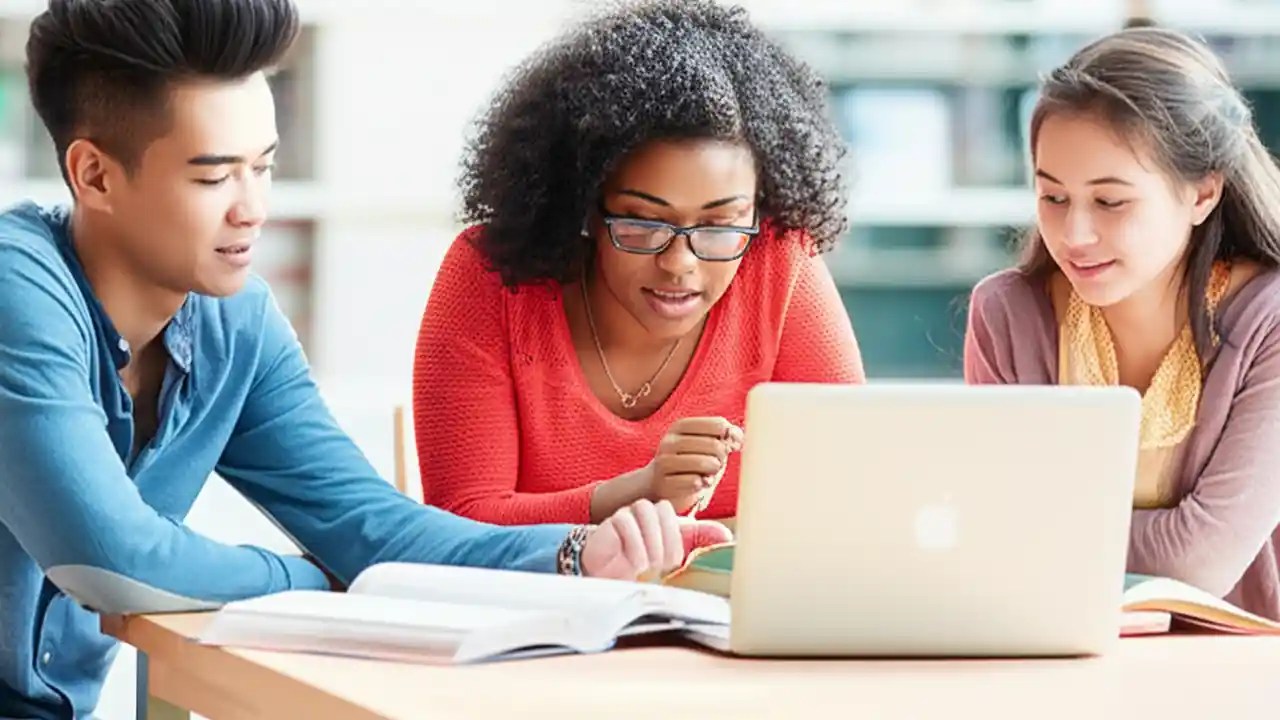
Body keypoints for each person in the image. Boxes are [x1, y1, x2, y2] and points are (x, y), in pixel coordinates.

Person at [0, 1, 730, 717]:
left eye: (264, 166)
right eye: (214, 177)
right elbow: (114, 557)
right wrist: (325, 581)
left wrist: (577, 557)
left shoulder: (235, 324)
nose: (253, 207)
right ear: (94, 175)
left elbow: (373, 526)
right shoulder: (17, 292)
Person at [412, 0, 865, 529]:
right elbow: (462, 523)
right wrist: (641, 494)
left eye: (720, 226)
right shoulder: (491, 278)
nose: (680, 263)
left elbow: (846, 496)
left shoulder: (780, 263)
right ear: (584, 203)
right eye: (643, 224)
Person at [964, 27, 1280, 621]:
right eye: (1052, 198)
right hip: (1055, 651)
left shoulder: (1271, 320)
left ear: (1203, 192)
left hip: (1247, 672)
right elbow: (996, 534)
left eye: (1110, 202)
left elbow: (1202, 562)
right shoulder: (1007, 315)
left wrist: (1043, 536)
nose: (1074, 235)